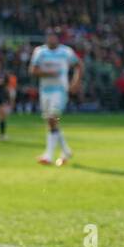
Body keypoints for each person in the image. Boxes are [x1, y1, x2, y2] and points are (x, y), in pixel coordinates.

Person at [28, 30, 81, 166]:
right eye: (49, 37)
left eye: (54, 37)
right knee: (51, 122)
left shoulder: (66, 52)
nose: (51, 39)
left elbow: (79, 65)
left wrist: (75, 81)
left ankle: (49, 156)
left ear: (58, 39)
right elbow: (33, 70)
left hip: (60, 90)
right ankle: (66, 150)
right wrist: (48, 73)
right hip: (45, 91)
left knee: (52, 118)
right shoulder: (40, 52)